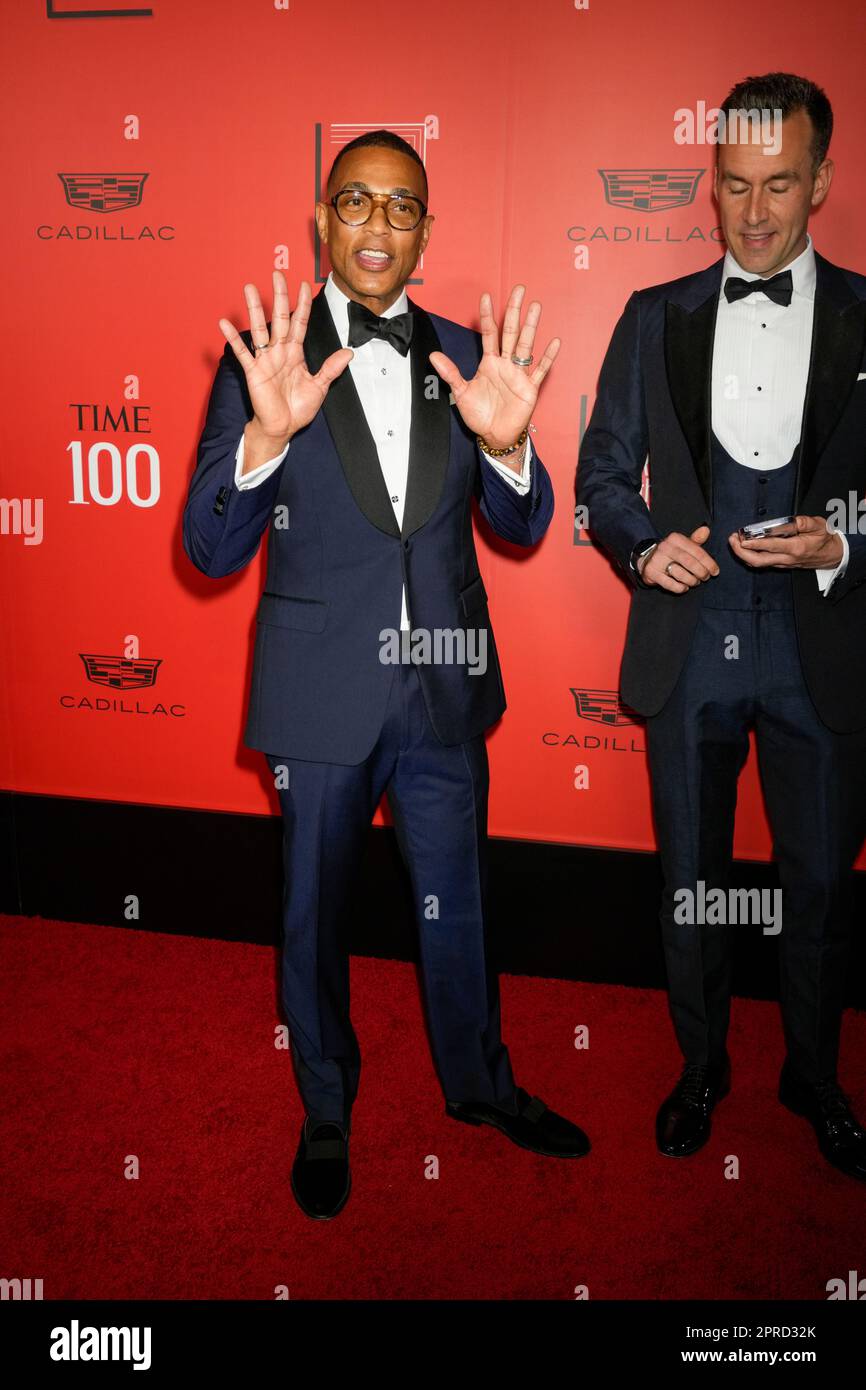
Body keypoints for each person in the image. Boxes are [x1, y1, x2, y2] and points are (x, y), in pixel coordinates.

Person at [184, 129, 590, 1221]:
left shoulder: (464, 351)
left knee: (458, 908)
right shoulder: (265, 354)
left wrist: (510, 452)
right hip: (318, 695)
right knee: (310, 912)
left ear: (424, 231)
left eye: (400, 207)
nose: (376, 224)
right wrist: (262, 443)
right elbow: (210, 548)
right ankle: (326, 1105)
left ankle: (479, 1087)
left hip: (445, 691)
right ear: (321, 219)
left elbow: (518, 524)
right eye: (354, 202)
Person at [577, 73, 866, 1181]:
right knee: (691, 877)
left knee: (822, 885)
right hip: (686, 639)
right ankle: (700, 1068)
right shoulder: (654, 316)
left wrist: (839, 542)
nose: (753, 214)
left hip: (822, 646)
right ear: (708, 182)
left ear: (821, 182)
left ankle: (813, 1072)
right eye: (735, 185)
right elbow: (602, 474)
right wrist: (645, 544)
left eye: (779, 185)